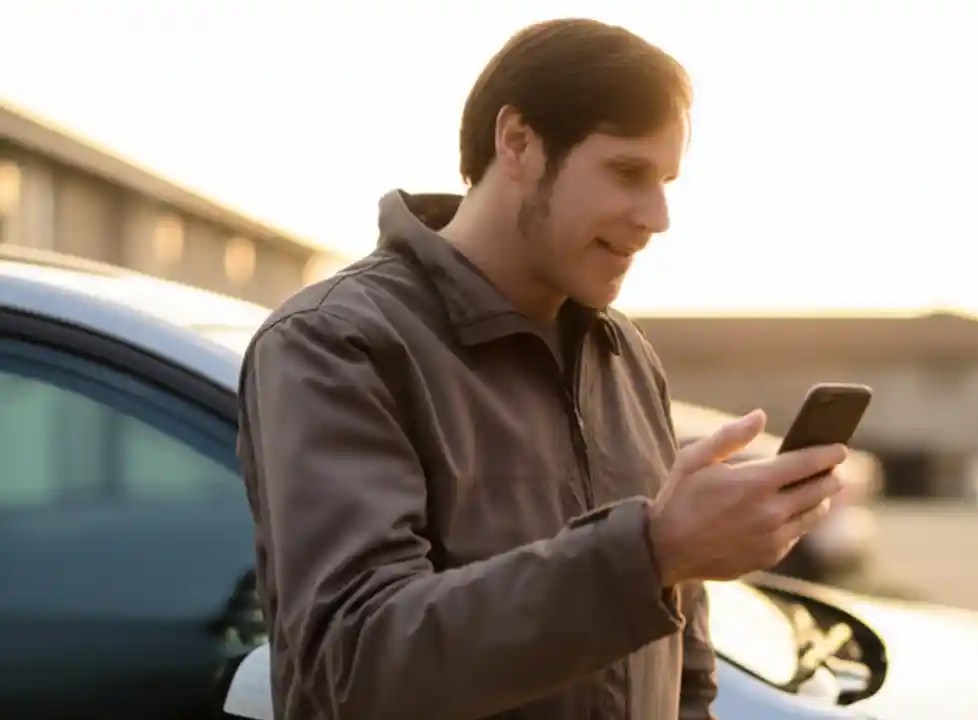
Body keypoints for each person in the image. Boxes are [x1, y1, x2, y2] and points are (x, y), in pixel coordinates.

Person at [236, 17, 853, 720]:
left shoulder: (624, 356)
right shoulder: (334, 344)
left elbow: (685, 664)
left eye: (667, 181)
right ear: (518, 142)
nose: (657, 217)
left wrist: (671, 560)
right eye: (627, 172)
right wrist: (651, 551)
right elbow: (355, 668)